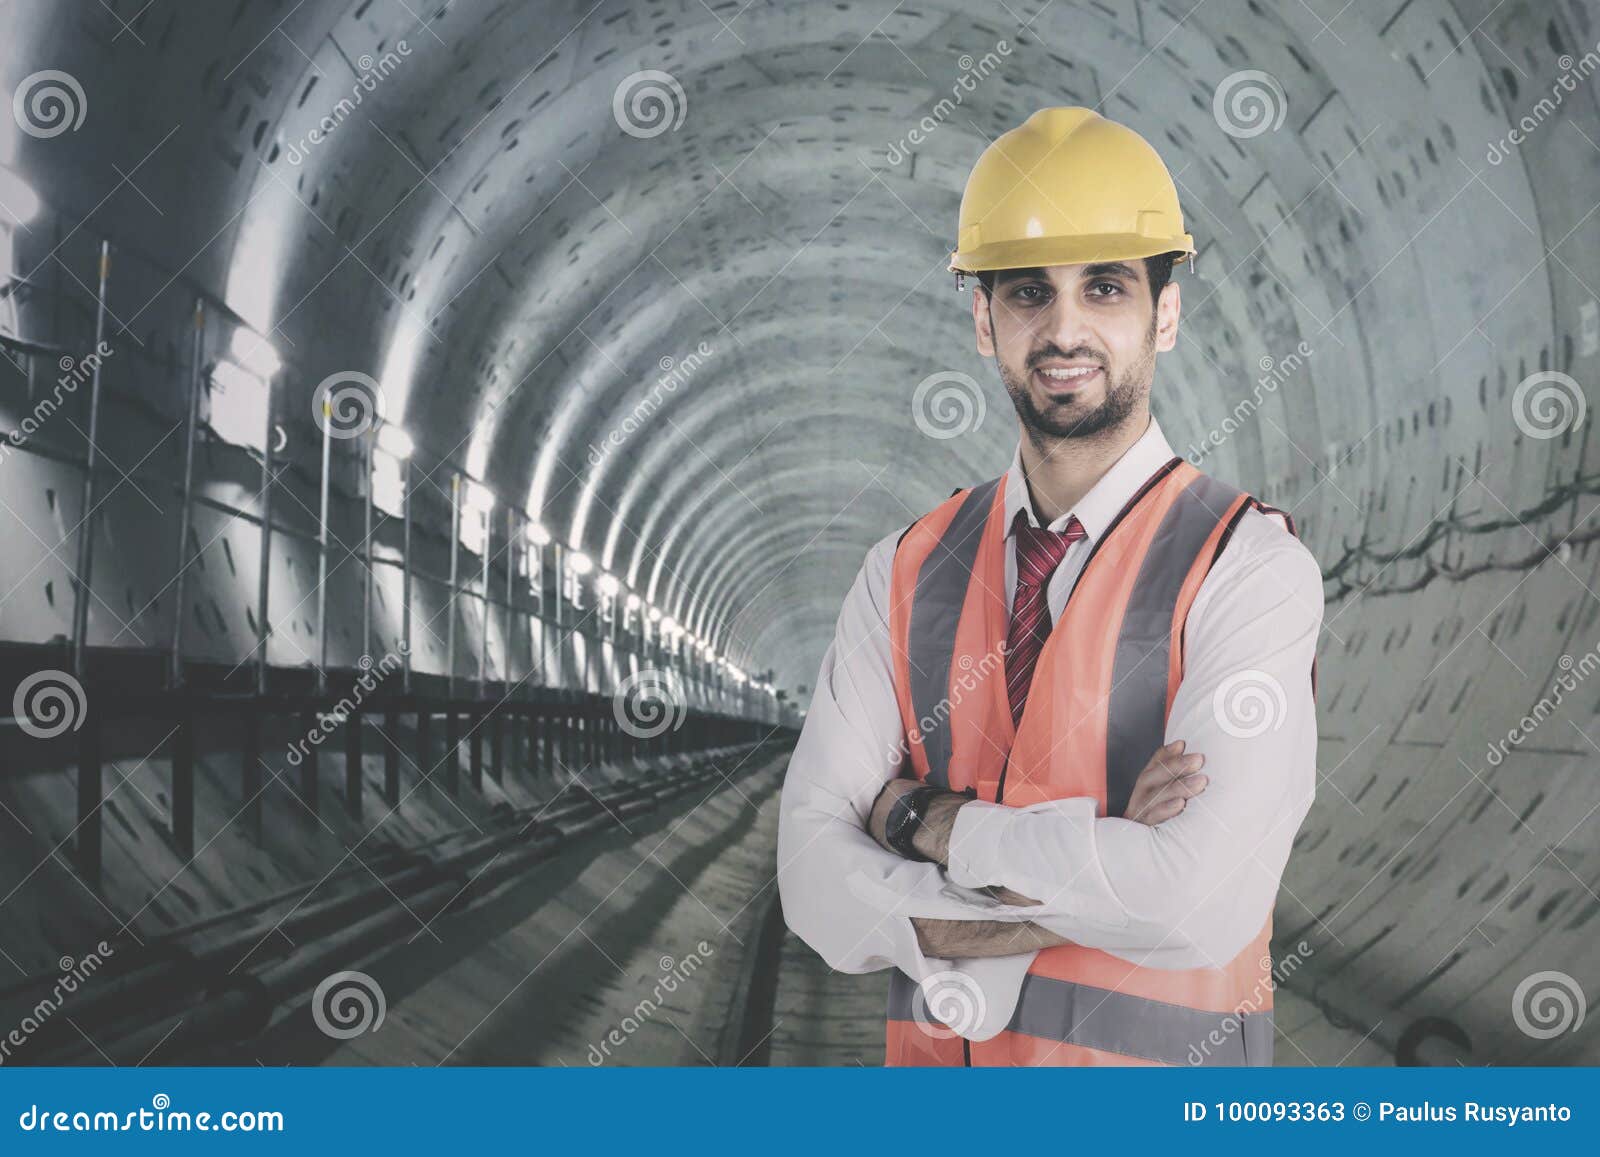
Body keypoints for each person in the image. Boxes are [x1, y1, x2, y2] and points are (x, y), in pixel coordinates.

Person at [776, 107, 1323, 1067]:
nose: (1065, 329)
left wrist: (920, 822)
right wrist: (1110, 859)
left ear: (1165, 311)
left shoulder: (1248, 569)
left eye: (1105, 286)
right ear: (984, 320)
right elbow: (814, 887)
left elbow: (1198, 908)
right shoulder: (902, 570)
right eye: (1030, 292)